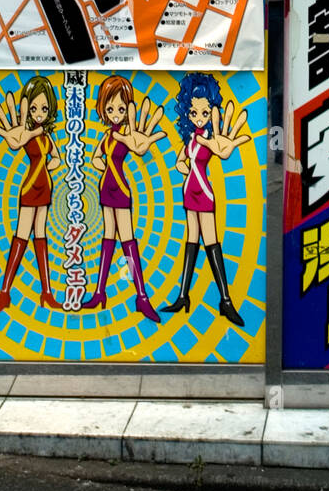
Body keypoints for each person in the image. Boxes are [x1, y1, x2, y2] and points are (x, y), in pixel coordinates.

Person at [164, 73, 250, 327]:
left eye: (204, 112)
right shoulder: (190, 138)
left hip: (204, 192)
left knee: (211, 242)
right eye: (193, 112)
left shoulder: (210, 139)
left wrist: (221, 148)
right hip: (189, 189)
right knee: (192, 241)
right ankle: (183, 296)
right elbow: (181, 160)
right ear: (186, 112)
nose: (198, 118)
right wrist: (183, 166)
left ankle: (225, 300)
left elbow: (221, 151)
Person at [82, 77, 165, 319]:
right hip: (106, 188)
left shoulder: (129, 133)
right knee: (108, 239)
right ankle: (99, 292)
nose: (116, 113)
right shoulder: (108, 135)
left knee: (128, 242)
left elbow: (138, 147)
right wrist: (103, 165)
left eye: (121, 108)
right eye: (110, 109)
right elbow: (97, 158)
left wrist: (138, 146)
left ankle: (141, 295)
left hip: (121, 190)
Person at [0, 76, 63, 316]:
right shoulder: (26, 133)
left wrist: (48, 169)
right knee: (21, 237)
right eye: (34, 108)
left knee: (40, 237)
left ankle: (46, 292)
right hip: (30, 188)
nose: (39, 113)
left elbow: (57, 158)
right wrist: (24, 135)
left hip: (44, 188)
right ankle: (4, 293)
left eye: (44, 108)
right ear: (26, 108)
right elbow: (16, 143)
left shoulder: (46, 137)